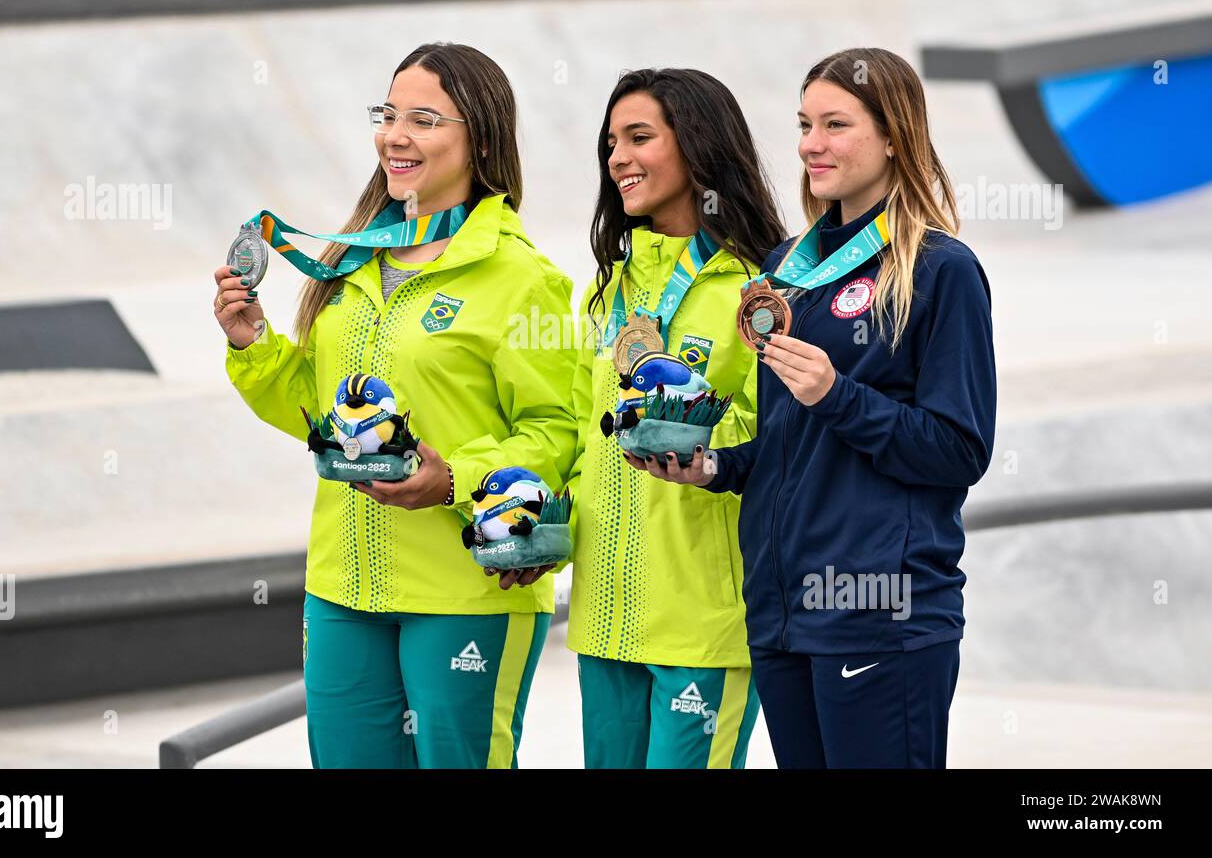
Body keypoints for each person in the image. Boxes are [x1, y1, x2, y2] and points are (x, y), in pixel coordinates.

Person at [214, 42, 576, 768]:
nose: (395, 135)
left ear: (479, 137)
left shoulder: (521, 278)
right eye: (388, 114)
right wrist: (255, 346)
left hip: (466, 588)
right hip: (345, 587)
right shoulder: (355, 262)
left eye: (424, 119)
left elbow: (561, 433)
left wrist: (456, 480)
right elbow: (327, 425)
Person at [643, 48, 996, 768]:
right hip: (782, 615)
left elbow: (961, 450)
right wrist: (714, 466)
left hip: (880, 615)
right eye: (805, 124)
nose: (811, 144)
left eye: (836, 124)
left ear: (895, 135)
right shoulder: (785, 269)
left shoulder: (940, 270)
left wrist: (839, 395)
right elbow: (790, 446)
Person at [567, 68, 787, 768]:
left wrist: (690, 427)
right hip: (603, 619)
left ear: (698, 147)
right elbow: (580, 434)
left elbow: (783, 440)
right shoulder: (609, 289)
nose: (618, 159)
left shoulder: (757, 290)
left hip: (703, 621)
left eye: (639, 138)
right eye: (611, 143)